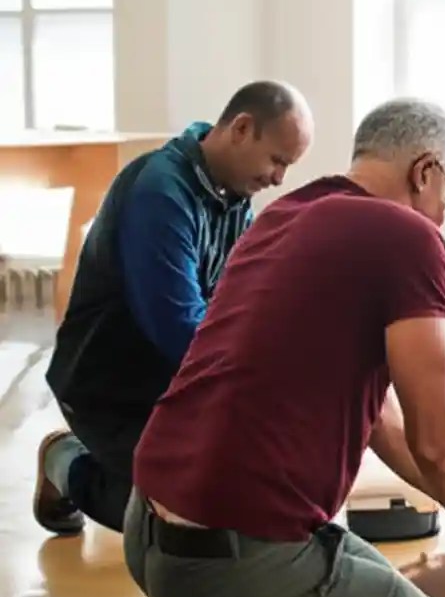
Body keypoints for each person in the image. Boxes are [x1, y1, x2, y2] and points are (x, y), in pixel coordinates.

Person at [122, 98, 445, 597]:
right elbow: (439, 437)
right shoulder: (407, 235)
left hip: (152, 530)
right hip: (237, 556)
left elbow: (384, 421)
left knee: (374, 576)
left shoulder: (286, 214)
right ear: (426, 171)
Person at [34, 81, 313, 536]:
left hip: (169, 383)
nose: (279, 178)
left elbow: (246, 305)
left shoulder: (233, 197)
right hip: (108, 392)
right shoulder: (159, 193)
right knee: (176, 525)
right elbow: (178, 328)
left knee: (241, 490)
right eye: (277, 160)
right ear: (241, 129)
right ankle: (64, 461)